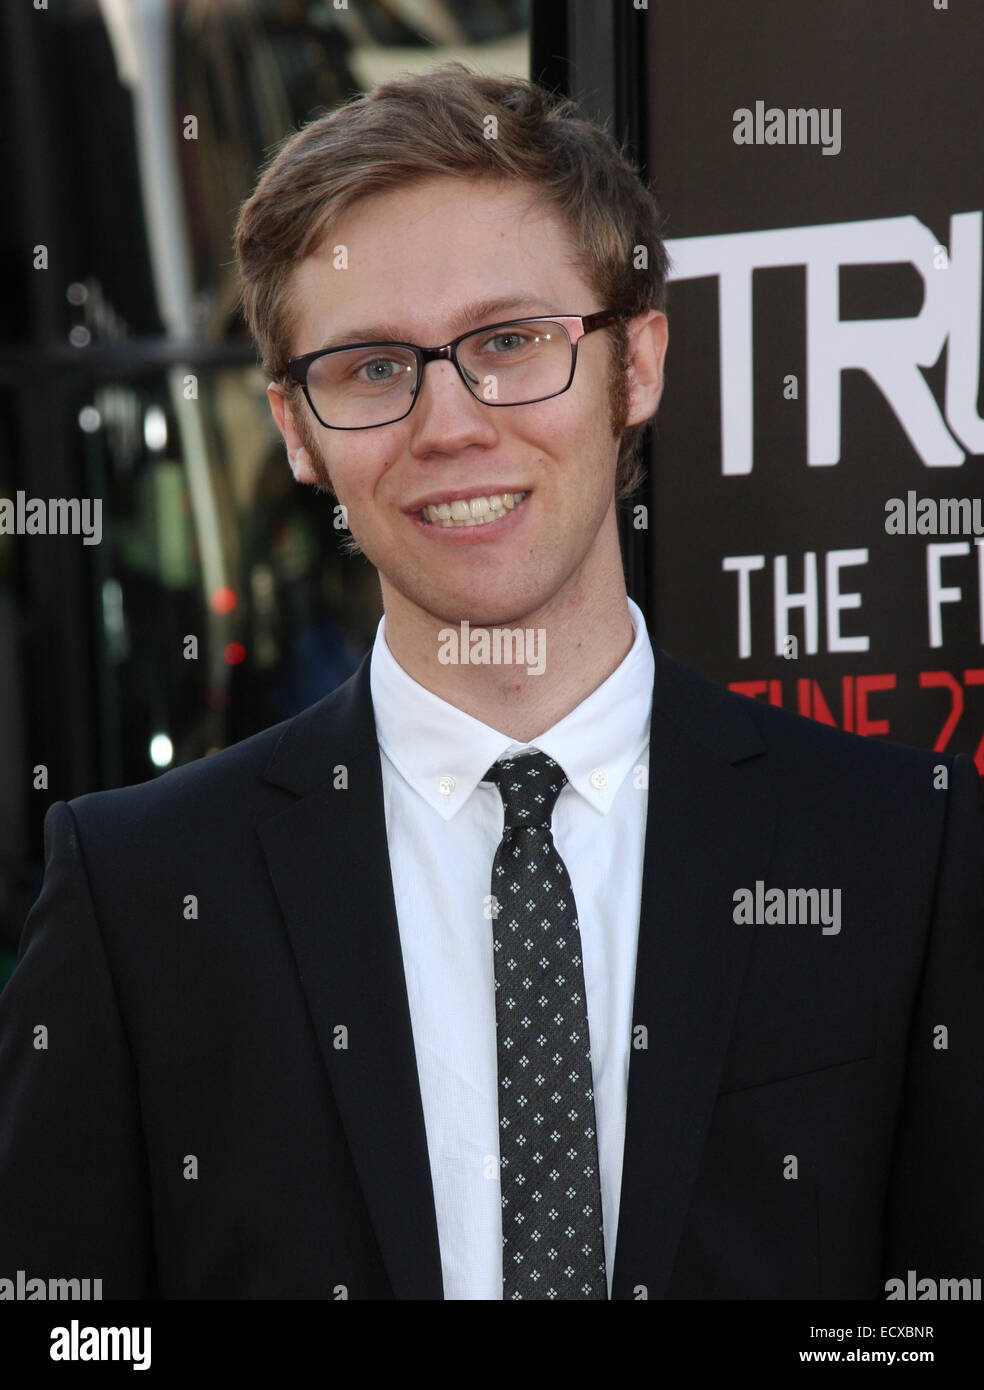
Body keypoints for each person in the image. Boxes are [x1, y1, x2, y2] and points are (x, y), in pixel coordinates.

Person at [1, 62, 982, 1302]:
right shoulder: (138, 891)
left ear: (638, 366)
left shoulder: (902, 846)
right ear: (297, 430)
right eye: (369, 367)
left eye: (511, 342)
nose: (451, 423)